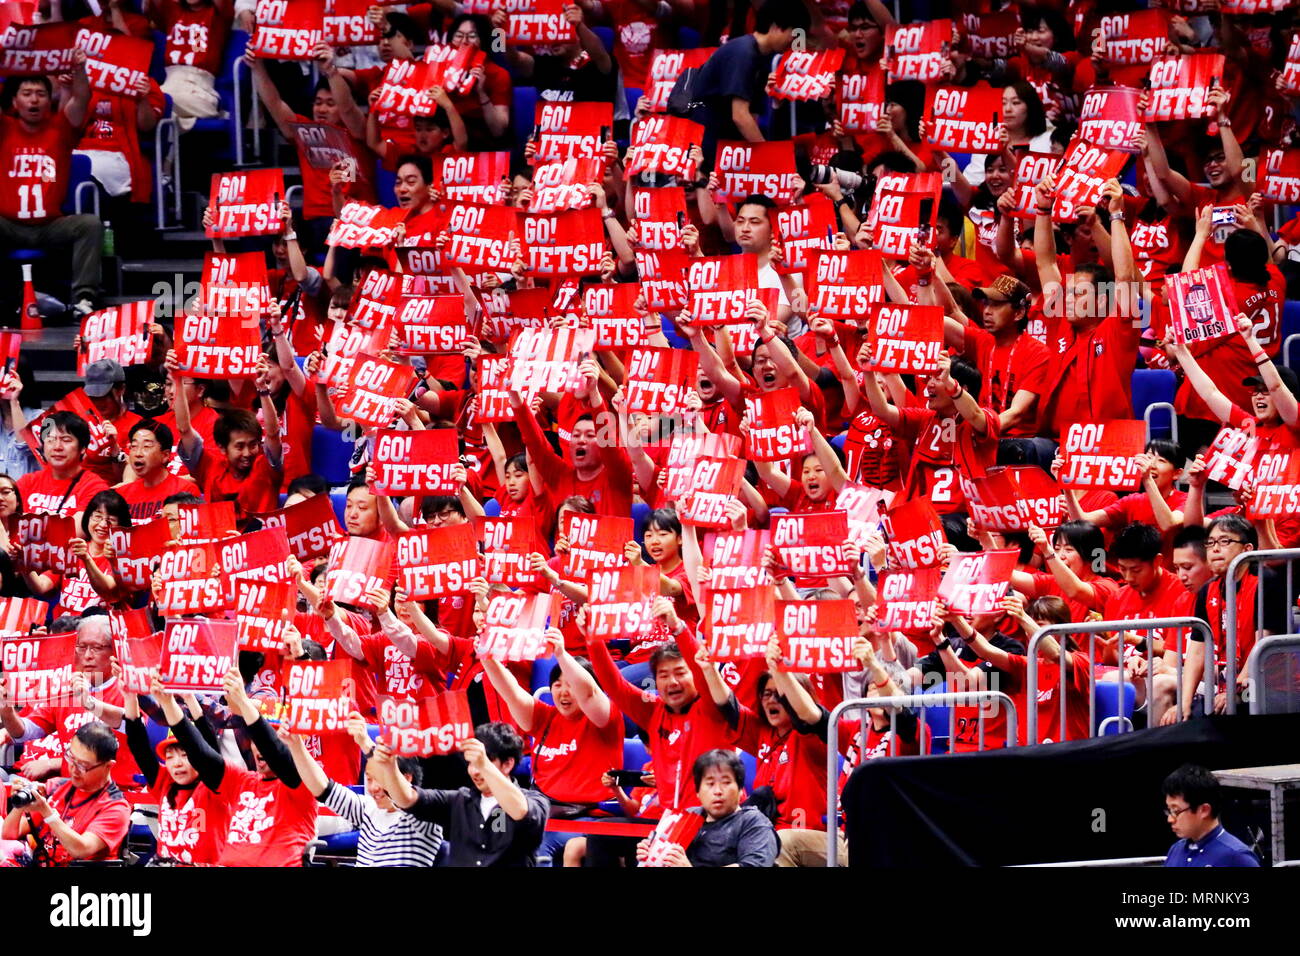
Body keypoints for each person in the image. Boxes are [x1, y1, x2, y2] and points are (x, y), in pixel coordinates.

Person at [0, 52, 102, 317]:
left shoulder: (61, 128)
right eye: (26, 93)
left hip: (50, 226)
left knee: (89, 224)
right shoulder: (5, 129)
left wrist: (79, 70)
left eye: (40, 93)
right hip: (8, 225)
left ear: (50, 100)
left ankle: (83, 300)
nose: (33, 99)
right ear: (14, 101)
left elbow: (82, 99)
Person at [369, 721, 551, 867]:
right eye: (471, 763)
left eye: (484, 761)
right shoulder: (459, 800)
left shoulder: (534, 800)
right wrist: (389, 767)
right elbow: (407, 799)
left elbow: (520, 812)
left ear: (508, 764)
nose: (475, 771)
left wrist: (483, 764)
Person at [282, 711, 443, 867]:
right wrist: (295, 744)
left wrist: (365, 742)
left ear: (407, 778)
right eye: (369, 779)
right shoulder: (367, 809)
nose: (373, 788)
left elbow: (410, 800)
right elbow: (323, 787)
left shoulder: (425, 817)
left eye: (380, 779)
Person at [0, 721, 130, 865]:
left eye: (82, 765)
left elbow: (81, 849)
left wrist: (47, 813)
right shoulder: (56, 786)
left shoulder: (116, 807)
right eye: (71, 758)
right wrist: (20, 806)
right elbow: (9, 834)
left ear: (108, 766)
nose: (73, 769)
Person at [635, 749, 778, 867]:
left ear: (741, 789)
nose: (718, 791)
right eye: (710, 784)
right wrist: (651, 852)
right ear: (698, 792)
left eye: (726, 782)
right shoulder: (687, 817)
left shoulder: (754, 823)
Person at [1162, 764, 1259, 868]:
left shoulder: (1236, 856)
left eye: (1176, 811)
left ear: (1204, 810)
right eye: (1169, 811)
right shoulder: (1176, 849)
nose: (1170, 819)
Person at [114, 419, 199, 520]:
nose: (138, 453)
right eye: (134, 446)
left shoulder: (185, 490)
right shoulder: (121, 494)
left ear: (165, 455)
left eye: (146, 446)